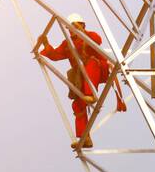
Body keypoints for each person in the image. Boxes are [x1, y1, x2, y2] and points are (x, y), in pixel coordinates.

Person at [39, 15, 126, 149]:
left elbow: (98, 40)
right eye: (71, 27)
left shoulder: (88, 36)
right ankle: (85, 138)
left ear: (82, 25)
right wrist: (45, 44)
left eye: (75, 26)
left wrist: (83, 32)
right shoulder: (67, 43)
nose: (72, 29)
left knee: (91, 62)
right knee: (78, 104)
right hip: (85, 77)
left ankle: (91, 95)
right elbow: (56, 55)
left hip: (99, 69)